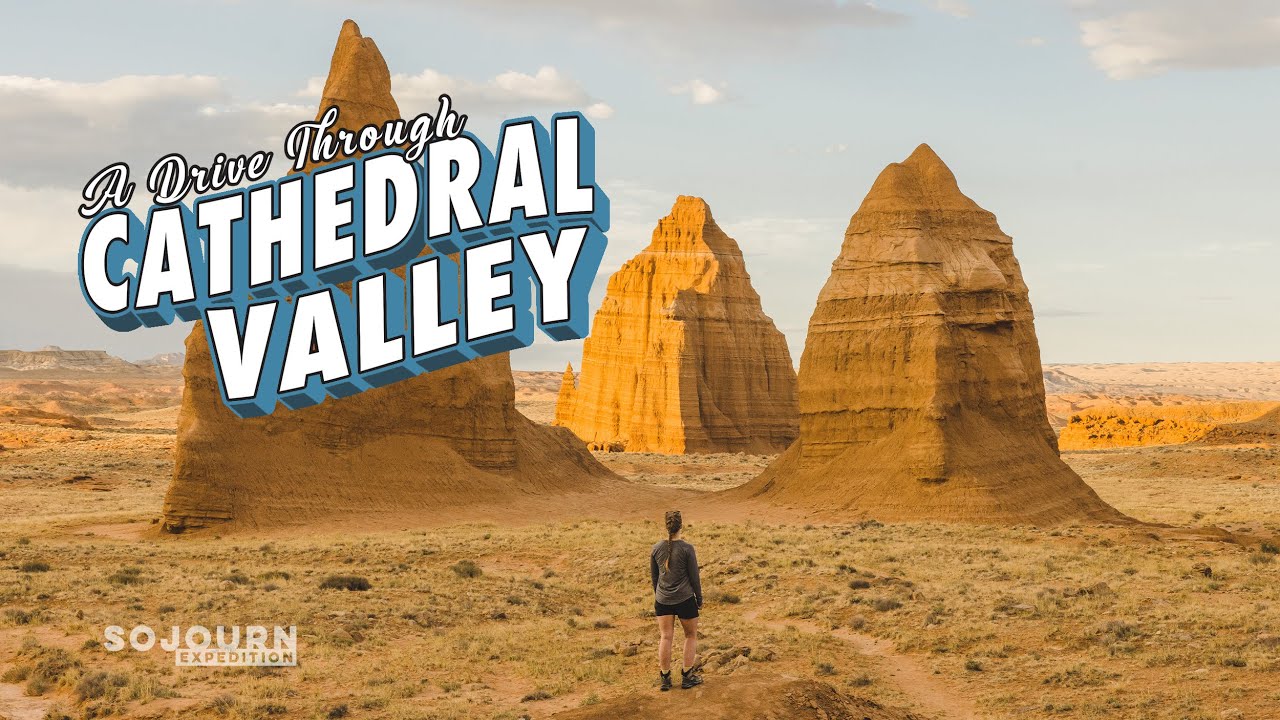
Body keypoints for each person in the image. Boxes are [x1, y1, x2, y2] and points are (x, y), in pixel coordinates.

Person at [650, 509, 703, 691]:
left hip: (663, 600)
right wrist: (699, 598)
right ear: (681, 525)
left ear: (666, 526)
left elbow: (655, 578)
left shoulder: (656, 548)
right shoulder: (687, 549)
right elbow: (694, 577)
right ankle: (687, 676)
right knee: (690, 635)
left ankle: (665, 679)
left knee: (665, 637)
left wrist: (660, 595)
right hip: (685, 599)